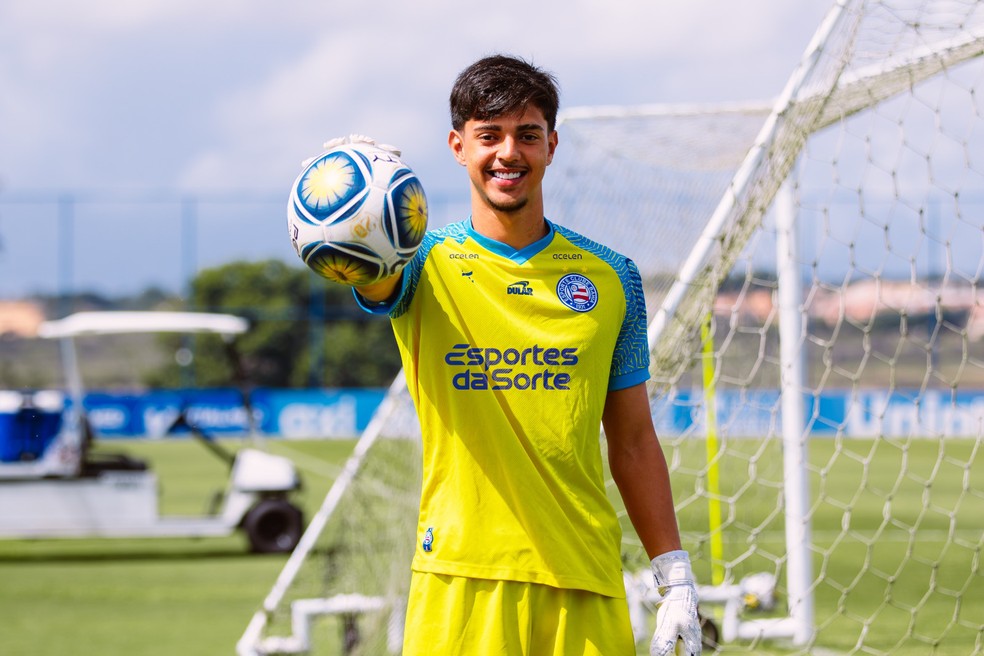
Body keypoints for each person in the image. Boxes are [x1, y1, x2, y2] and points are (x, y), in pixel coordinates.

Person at [351, 54, 702, 656]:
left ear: (552, 145)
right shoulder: (418, 264)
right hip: (462, 577)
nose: (508, 153)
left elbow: (635, 439)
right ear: (458, 146)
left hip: (583, 575)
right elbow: (369, 277)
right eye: (489, 136)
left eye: (527, 135)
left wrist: (674, 576)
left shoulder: (612, 277)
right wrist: (357, 206)